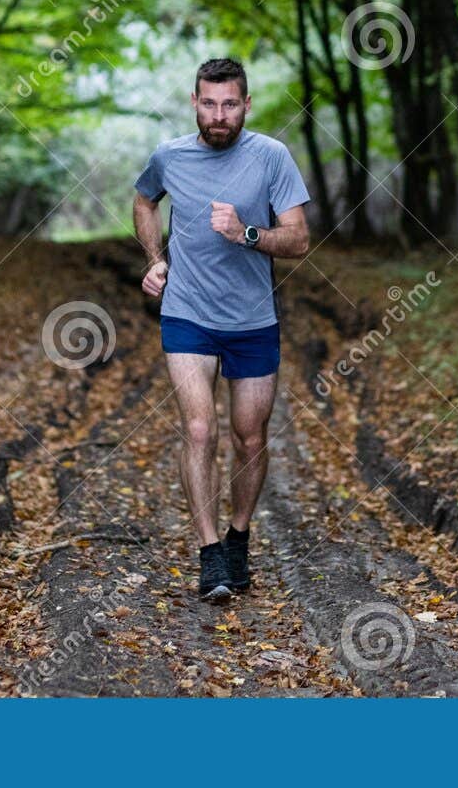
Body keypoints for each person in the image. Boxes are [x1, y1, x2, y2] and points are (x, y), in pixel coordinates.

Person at [132, 58, 311, 600]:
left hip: (253, 319)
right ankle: (210, 555)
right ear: (194, 102)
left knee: (249, 435)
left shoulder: (271, 157)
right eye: (208, 103)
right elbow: (144, 200)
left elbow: (299, 240)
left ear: (246, 105)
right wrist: (155, 257)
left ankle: (238, 537)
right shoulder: (170, 155)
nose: (218, 115)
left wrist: (247, 232)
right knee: (200, 431)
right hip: (187, 313)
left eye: (229, 104)